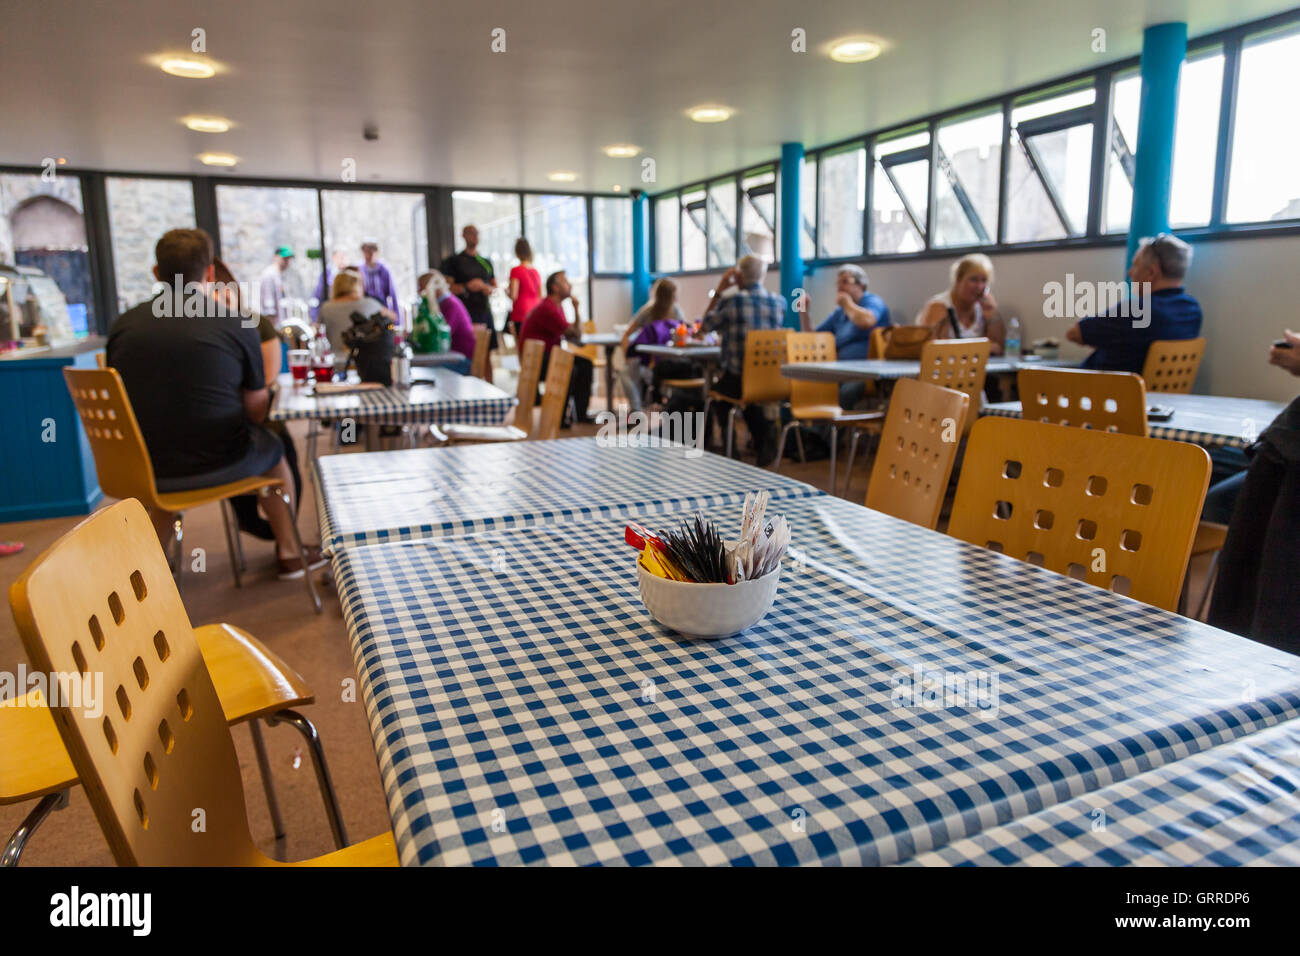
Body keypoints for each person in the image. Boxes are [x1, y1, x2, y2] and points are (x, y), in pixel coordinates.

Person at [107, 228, 325, 579]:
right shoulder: (237, 323)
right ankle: (289, 551)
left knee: (170, 459)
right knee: (275, 452)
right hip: (219, 460)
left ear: (156, 274)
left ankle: (146, 574)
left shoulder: (122, 326)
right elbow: (256, 410)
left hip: (141, 465)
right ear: (209, 273)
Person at [211, 258, 303, 542]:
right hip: (219, 424)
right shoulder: (199, 332)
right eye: (211, 290)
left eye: (222, 289)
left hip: (248, 415)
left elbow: (266, 379)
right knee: (267, 444)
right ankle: (280, 540)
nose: (219, 296)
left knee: (274, 438)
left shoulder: (254, 324)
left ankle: (279, 533)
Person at [1065, 233, 1202, 374]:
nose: (1130, 273)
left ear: (1151, 272)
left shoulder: (1139, 311)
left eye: (1135, 266)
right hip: (1161, 395)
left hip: (1104, 392)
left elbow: (1075, 333)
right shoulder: (1192, 310)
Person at [699, 255, 788, 465]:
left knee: (718, 396)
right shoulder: (780, 302)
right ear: (763, 275)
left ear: (738, 276)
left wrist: (719, 291)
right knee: (749, 400)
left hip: (740, 380)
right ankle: (763, 442)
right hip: (772, 382)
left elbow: (704, 327)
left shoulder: (732, 301)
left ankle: (731, 451)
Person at [803, 264, 892, 408]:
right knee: (812, 387)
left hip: (868, 373)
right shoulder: (840, 313)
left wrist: (847, 304)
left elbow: (867, 321)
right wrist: (804, 312)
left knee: (845, 392)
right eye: (838, 283)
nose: (839, 287)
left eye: (845, 282)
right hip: (841, 370)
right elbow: (813, 338)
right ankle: (814, 429)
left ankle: (832, 430)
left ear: (861, 285)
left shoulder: (872, 301)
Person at [520, 270, 593, 424]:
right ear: (555, 287)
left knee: (584, 364)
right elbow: (575, 335)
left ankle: (577, 414)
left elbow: (574, 335)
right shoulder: (548, 308)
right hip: (537, 361)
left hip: (543, 357)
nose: (570, 285)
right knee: (572, 366)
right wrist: (576, 309)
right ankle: (560, 416)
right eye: (566, 282)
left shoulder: (555, 307)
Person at [619, 278, 686, 412]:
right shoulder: (648, 311)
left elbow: (683, 336)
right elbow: (626, 335)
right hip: (650, 361)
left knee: (628, 374)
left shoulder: (676, 312)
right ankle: (637, 410)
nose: (676, 299)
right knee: (629, 373)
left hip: (665, 362)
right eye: (674, 296)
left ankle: (637, 411)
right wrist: (627, 356)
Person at [915, 253, 1005, 354]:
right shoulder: (939, 306)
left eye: (984, 280)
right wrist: (980, 348)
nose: (979, 286)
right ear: (958, 280)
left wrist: (992, 315)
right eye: (974, 280)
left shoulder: (985, 308)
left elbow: (998, 348)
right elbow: (933, 349)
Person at [441, 225, 499, 355]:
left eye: (476, 233)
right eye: (471, 233)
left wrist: (485, 287)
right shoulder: (454, 261)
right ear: (464, 235)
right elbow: (447, 289)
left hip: (484, 312)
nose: (474, 237)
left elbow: (494, 287)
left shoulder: (486, 262)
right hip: (465, 312)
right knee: (471, 353)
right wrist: (467, 286)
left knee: (487, 354)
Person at [317, 270, 394, 367]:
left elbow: (319, 334)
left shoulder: (326, 308)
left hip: (336, 363)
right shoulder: (369, 303)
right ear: (357, 286)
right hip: (365, 363)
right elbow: (393, 318)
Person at [418, 270, 475, 375]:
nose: (419, 293)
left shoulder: (450, 304)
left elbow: (440, 336)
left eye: (422, 288)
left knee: (426, 371)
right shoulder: (444, 303)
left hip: (463, 360)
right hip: (452, 356)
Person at [506, 238, 541, 348]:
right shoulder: (535, 271)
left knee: (521, 349)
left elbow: (513, 295)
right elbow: (540, 296)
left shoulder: (516, 270)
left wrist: (506, 292)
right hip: (534, 314)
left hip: (521, 314)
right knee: (533, 349)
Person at [359, 238, 401, 318]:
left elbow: (393, 294)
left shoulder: (384, 270)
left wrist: (396, 316)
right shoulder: (359, 269)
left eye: (371, 252)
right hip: (365, 309)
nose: (368, 255)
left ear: (376, 252)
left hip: (382, 309)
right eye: (366, 252)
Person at [258, 245, 298, 325]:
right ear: (275, 257)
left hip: (283, 323)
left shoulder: (283, 276)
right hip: (275, 324)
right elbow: (268, 303)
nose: (287, 261)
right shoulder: (269, 275)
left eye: (288, 259)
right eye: (284, 258)